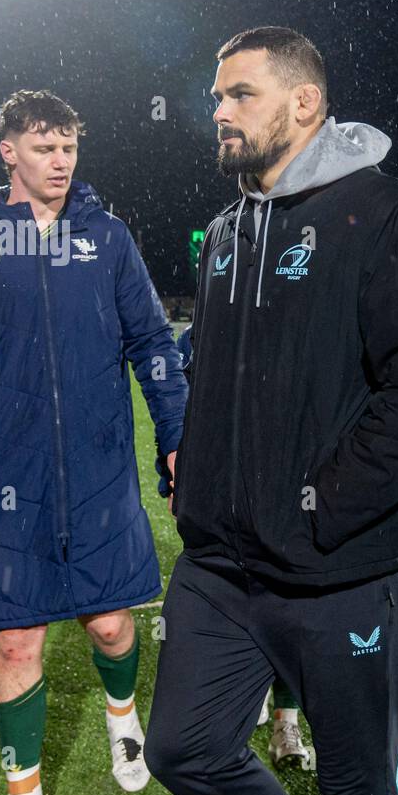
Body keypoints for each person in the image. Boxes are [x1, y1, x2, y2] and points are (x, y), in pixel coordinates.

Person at [144, 26, 398, 795]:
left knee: (359, 787)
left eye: (240, 94)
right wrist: (194, 467)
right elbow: (213, 377)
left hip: (342, 568)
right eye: (217, 95)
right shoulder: (226, 230)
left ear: (304, 101)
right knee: (183, 750)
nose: (219, 110)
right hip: (222, 566)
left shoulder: (389, 211)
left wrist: (315, 509)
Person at [0, 90, 187, 795]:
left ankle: (123, 714)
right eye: (45, 148)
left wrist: (177, 437)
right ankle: (24, 794)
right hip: (5, 478)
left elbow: (151, 343)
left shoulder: (110, 238)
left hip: (98, 467)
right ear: (9, 153)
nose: (60, 161)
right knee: (18, 641)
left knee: (113, 625)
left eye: (69, 148)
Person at [158, 324, 312, 770]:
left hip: (288, 503)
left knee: (290, 616)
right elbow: (177, 420)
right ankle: (243, 705)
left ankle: (286, 719)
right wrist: (171, 478)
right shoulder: (193, 339)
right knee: (231, 613)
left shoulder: (299, 317)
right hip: (217, 511)